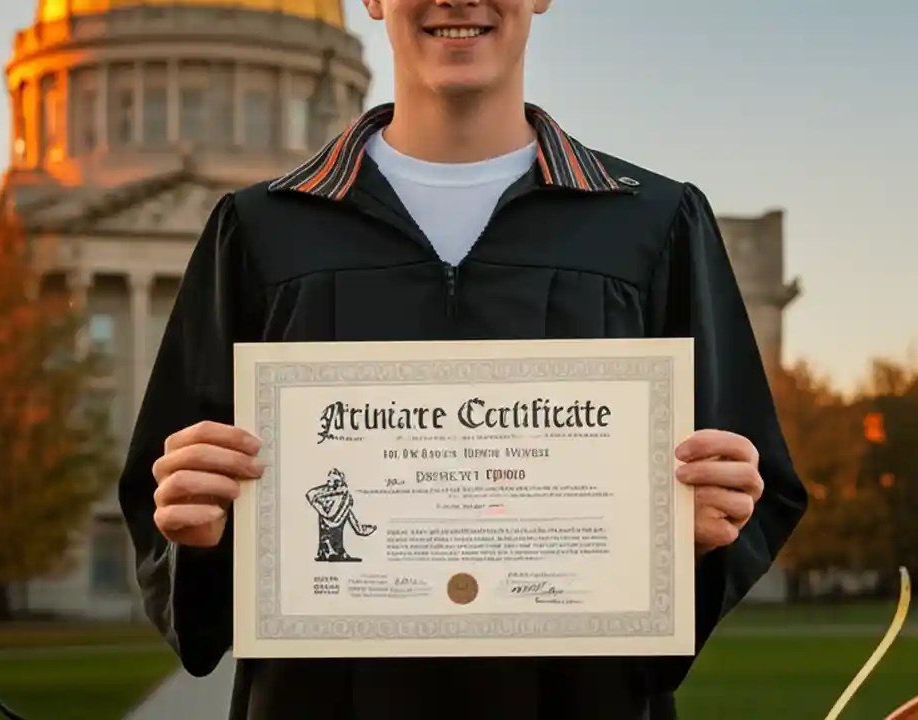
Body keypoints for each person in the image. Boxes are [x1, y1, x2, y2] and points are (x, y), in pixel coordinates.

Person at [118, 1, 808, 718]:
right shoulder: (260, 232)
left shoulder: (654, 224)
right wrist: (200, 539)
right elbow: (174, 519)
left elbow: (756, 488)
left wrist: (699, 536)